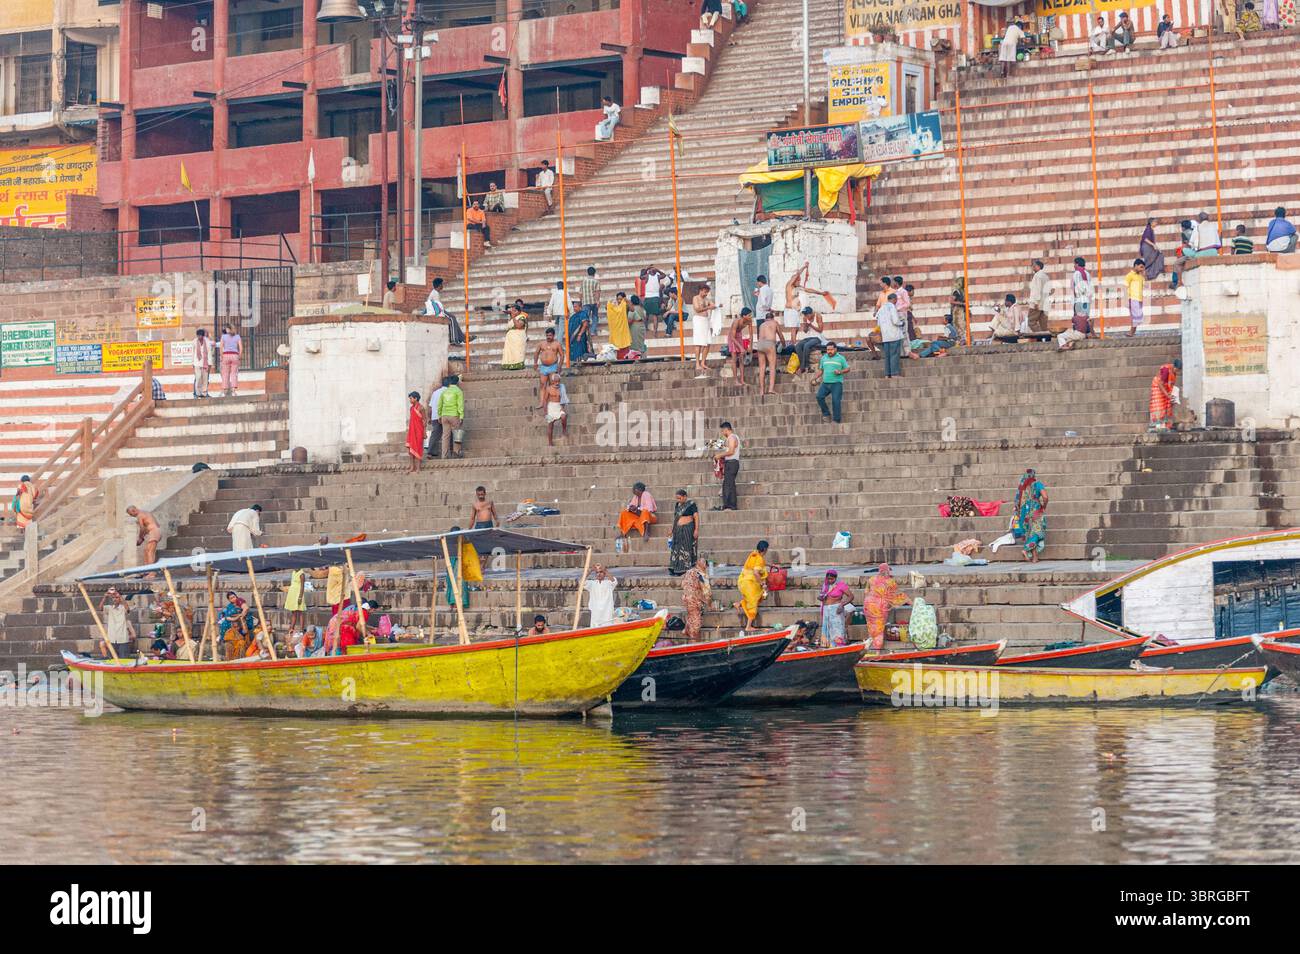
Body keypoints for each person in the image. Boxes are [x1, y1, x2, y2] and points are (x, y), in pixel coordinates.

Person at [865, 563, 909, 650]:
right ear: (886, 571)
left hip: (868, 605)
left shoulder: (871, 579)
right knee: (879, 628)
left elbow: (866, 592)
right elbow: (896, 595)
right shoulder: (890, 581)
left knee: (871, 626)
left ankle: (870, 646)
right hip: (880, 606)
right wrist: (908, 600)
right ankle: (877, 649)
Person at [1012, 469, 1048, 562]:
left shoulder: (1023, 487)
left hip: (1026, 513)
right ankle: (1025, 549)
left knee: (1031, 533)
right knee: (1038, 533)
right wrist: (1044, 506)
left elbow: (1018, 502)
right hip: (1036, 511)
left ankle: (1035, 558)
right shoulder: (1037, 484)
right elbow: (1045, 497)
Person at [734, 540, 769, 631]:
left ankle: (738, 604)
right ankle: (748, 626)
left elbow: (755, 566)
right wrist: (762, 583)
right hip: (749, 583)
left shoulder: (753, 554)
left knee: (753, 598)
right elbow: (756, 572)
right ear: (765, 549)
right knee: (753, 603)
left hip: (742, 581)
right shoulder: (760, 559)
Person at [754, 307, 787, 396]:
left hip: (760, 344)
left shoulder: (761, 325)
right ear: (773, 318)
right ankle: (771, 389)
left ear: (765, 319)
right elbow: (781, 336)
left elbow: (759, 336)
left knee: (762, 367)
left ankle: (761, 391)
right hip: (770, 344)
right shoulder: (775, 323)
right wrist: (784, 345)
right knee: (772, 367)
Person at [819, 570, 854, 647]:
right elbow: (822, 597)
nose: (830, 581)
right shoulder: (825, 585)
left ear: (836, 578)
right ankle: (828, 647)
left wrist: (842, 604)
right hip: (826, 610)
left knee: (837, 629)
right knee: (827, 629)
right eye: (828, 579)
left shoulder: (841, 585)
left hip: (836, 610)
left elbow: (851, 596)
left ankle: (838, 646)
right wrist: (820, 597)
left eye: (832, 579)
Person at [816, 340, 849, 423]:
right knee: (819, 397)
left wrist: (840, 372)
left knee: (836, 401)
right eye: (827, 350)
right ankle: (826, 414)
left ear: (835, 349)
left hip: (836, 383)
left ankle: (836, 420)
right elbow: (821, 370)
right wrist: (814, 378)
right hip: (825, 383)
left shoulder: (841, 358)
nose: (829, 351)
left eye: (831, 349)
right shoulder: (823, 358)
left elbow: (848, 369)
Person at [681, 557, 713, 641]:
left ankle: (686, 630)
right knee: (696, 623)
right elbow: (707, 592)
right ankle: (693, 642)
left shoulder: (689, 572)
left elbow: (683, 584)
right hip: (694, 600)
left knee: (691, 616)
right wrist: (709, 604)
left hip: (685, 598)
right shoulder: (702, 575)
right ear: (705, 566)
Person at [668, 490, 699, 575]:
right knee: (676, 547)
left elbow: (696, 517)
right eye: (677, 498)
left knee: (686, 547)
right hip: (677, 529)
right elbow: (676, 518)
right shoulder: (677, 505)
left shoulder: (691, 504)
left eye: (680, 498)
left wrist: (696, 529)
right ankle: (675, 568)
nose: (678, 500)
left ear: (685, 496)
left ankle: (685, 568)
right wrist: (672, 529)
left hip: (688, 528)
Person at [876, 292, 906, 378]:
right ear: (894, 299)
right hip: (894, 335)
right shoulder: (892, 307)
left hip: (885, 337)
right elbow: (895, 321)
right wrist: (901, 323)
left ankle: (887, 374)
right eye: (896, 300)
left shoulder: (881, 308)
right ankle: (894, 374)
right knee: (894, 355)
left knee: (887, 356)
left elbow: (878, 323)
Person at [99, 588, 136, 655]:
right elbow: (100, 608)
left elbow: (127, 609)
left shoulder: (123, 608)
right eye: (113, 598)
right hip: (112, 639)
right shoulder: (109, 608)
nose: (115, 599)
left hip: (123, 640)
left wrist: (119, 595)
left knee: (124, 660)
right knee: (111, 661)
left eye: (116, 598)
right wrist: (105, 597)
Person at [535, 327, 564, 409]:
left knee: (553, 384)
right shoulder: (541, 344)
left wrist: (560, 366)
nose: (548, 337)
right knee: (542, 385)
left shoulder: (557, 344)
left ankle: (552, 401)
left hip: (553, 367)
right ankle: (541, 402)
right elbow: (536, 353)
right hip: (543, 367)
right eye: (547, 335)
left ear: (553, 335)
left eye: (550, 335)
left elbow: (562, 355)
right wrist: (535, 363)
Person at [714, 421, 741, 511]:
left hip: (732, 463)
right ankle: (727, 505)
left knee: (729, 485)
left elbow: (731, 451)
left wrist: (720, 455)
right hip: (730, 463)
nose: (722, 433)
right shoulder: (730, 438)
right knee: (727, 484)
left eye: (722, 431)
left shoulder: (732, 437)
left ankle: (732, 506)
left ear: (726, 429)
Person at [1149, 358, 1182, 431]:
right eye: (1177, 370)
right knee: (1159, 405)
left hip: (1166, 388)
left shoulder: (1174, 372)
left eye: (1179, 371)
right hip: (1158, 387)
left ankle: (1166, 425)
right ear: (1174, 367)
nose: (1177, 372)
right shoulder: (1166, 370)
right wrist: (1167, 395)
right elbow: (1160, 384)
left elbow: (1171, 384)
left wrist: (1173, 395)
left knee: (1168, 404)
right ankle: (1157, 426)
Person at [437, 374, 465, 459]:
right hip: (454, 415)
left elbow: (440, 405)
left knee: (445, 436)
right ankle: (456, 452)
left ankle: (444, 455)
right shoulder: (458, 391)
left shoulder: (444, 391)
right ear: (457, 382)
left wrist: (439, 415)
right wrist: (461, 416)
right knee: (456, 434)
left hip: (444, 416)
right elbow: (460, 405)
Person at [725, 307, 753, 387]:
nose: (750, 316)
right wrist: (741, 347)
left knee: (741, 359)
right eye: (749, 315)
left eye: (751, 315)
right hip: (732, 338)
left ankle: (742, 380)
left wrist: (750, 346)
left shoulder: (749, 321)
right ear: (744, 316)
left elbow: (751, 335)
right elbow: (733, 337)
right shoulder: (736, 322)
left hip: (739, 335)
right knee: (734, 359)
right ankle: (735, 380)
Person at [690, 284, 714, 375]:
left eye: (707, 292)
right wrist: (708, 307)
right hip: (698, 320)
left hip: (706, 321)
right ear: (700, 290)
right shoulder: (695, 298)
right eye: (705, 291)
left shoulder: (707, 299)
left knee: (708, 342)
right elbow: (697, 309)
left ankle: (703, 362)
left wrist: (716, 306)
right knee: (699, 343)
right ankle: (697, 363)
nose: (706, 293)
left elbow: (712, 305)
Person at [1025, 260, 1052, 334]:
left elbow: (1037, 290)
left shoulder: (1037, 276)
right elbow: (1050, 290)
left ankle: (1040, 335)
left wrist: (1036, 302)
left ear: (1038, 267)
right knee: (1044, 325)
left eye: (1034, 266)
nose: (1033, 268)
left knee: (1031, 322)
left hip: (1037, 303)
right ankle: (1046, 339)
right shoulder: (1046, 276)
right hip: (1045, 304)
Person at [219, 323, 242, 397]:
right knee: (234, 373)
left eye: (226, 328)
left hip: (226, 355)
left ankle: (224, 391)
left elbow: (221, 347)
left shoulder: (223, 336)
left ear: (228, 329)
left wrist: (222, 356)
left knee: (225, 373)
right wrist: (239, 357)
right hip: (235, 355)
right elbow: (241, 348)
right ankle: (233, 391)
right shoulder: (237, 336)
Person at [406, 390, 426, 473]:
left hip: (419, 431)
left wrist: (424, 432)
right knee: (411, 450)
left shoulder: (421, 408)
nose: (410, 400)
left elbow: (424, 420)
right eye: (409, 399)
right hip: (411, 431)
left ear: (416, 398)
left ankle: (418, 468)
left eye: (411, 398)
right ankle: (412, 467)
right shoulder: (411, 408)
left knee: (418, 449)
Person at [544, 372, 567, 445]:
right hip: (551, 407)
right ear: (552, 381)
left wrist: (563, 408)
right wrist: (546, 412)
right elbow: (545, 400)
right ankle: (550, 443)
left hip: (559, 406)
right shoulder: (548, 389)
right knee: (550, 425)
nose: (557, 383)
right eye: (555, 381)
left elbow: (563, 399)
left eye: (558, 381)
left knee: (563, 416)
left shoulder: (562, 388)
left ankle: (564, 430)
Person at [641, 266, 666, 335]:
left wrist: (648, 268)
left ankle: (649, 329)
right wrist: (657, 270)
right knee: (654, 315)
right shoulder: (655, 276)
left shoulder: (648, 276)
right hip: (654, 298)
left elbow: (641, 276)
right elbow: (664, 275)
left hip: (650, 298)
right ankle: (654, 331)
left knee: (648, 314)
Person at [606, 291, 631, 359]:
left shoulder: (625, 305)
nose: (619, 301)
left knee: (625, 350)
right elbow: (608, 308)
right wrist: (609, 304)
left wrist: (627, 301)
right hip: (616, 331)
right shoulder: (614, 306)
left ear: (624, 298)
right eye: (618, 299)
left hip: (624, 330)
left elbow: (632, 309)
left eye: (621, 299)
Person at [1124, 260, 1145, 336]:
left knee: (1136, 317)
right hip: (1132, 298)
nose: (1142, 269)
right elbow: (1125, 287)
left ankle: (1132, 332)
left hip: (1139, 299)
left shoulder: (1140, 276)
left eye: (1143, 268)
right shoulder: (1130, 275)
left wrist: (1143, 275)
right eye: (1141, 267)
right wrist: (1126, 300)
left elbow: (1143, 286)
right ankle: (1131, 332)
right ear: (1136, 265)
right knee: (1137, 316)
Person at [284, 567, 308, 635]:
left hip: (298, 594)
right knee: (293, 612)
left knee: (300, 612)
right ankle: (292, 628)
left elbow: (302, 586)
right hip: (292, 594)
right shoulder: (293, 572)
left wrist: (300, 597)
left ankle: (302, 630)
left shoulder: (302, 574)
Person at [579, 265, 601, 335]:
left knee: (585, 317)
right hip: (593, 301)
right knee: (595, 316)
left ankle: (585, 331)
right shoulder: (596, 281)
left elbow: (580, 293)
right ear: (594, 273)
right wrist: (597, 301)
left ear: (587, 273)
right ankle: (592, 331)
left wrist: (581, 301)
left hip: (585, 302)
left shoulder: (583, 282)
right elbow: (597, 292)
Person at [1070, 257, 1092, 327]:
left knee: (1078, 317)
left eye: (1074, 264)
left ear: (1077, 264)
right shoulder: (1087, 273)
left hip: (1079, 300)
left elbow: (1077, 287)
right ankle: (1087, 332)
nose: (1074, 265)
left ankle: (1078, 332)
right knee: (1085, 317)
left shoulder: (1076, 273)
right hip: (1086, 299)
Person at [192, 327, 212, 398]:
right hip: (197, 363)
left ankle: (204, 393)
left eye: (200, 335)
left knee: (205, 379)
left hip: (205, 363)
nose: (199, 337)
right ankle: (197, 393)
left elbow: (209, 353)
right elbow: (193, 352)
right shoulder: (194, 341)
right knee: (198, 378)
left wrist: (210, 363)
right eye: (198, 335)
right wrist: (192, 363)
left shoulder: (207, 341)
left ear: (203, 336)